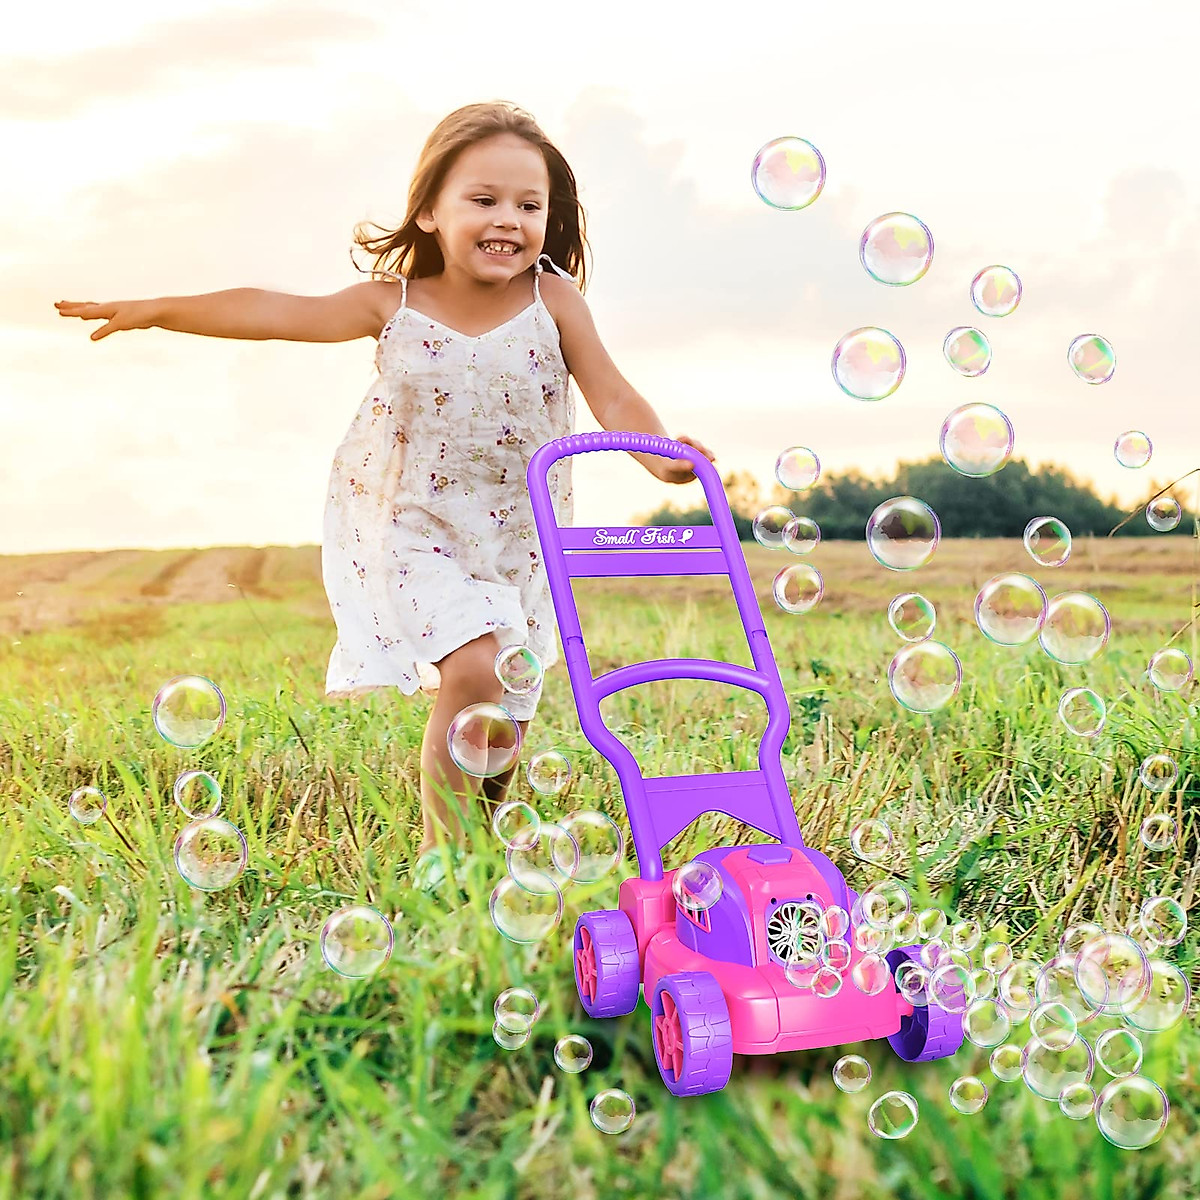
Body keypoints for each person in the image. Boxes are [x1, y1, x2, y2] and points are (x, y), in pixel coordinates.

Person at [55, 99, 716, 896]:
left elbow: (614, 395)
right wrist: (160, 310)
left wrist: (662, 458)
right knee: (471, 667)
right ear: (430, 210)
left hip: (519, 541)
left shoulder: (555, 303)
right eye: (484, 199)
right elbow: (273, 311)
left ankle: (487, 857)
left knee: (506, 708)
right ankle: (445, 874)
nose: (508, 219)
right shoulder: (392, 305)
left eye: (529, 204)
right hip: (416, 533)